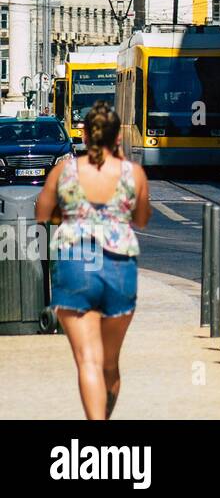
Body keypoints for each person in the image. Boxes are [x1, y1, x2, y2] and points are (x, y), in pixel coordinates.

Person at [36, 102, 151, 420]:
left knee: (87, 360)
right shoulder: (133, 173)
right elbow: (141, 219)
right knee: (109, 363)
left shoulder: (64, 171)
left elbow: (41, 213)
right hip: (119, 269)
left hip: (75, 265)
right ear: (117, 139)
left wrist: (66, 211)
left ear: (84, 135)